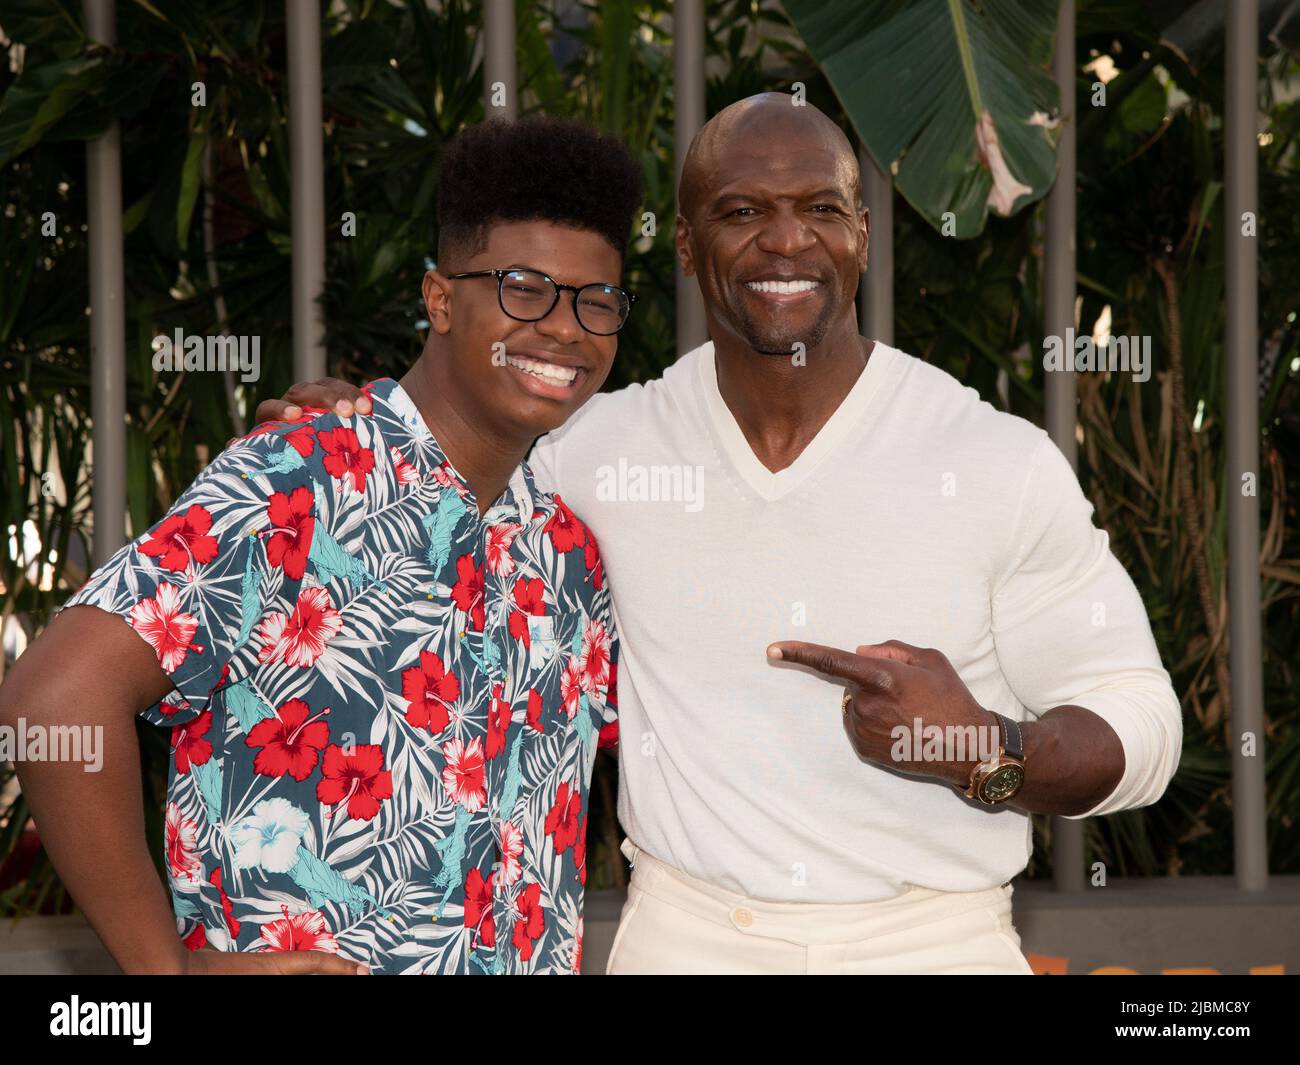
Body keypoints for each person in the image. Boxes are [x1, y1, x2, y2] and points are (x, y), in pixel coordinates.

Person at [260, 95, 1184, 975]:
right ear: (692, 250)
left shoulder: (992, 460)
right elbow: (440, 459)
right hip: (688, 936)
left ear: (862, 234)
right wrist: (342, 426)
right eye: (744, 210)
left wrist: (981, 747)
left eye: (821, 205)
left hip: (934, 940)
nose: (787, 238)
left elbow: (1143, 724)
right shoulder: (591, 452)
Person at [0, 116, 642, 975]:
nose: (564, 328)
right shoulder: (298, 481)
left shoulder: (568, 555)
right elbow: (54, 701)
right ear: (441, 299)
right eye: (524, 287)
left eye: (595, 300)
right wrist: (168, 972)